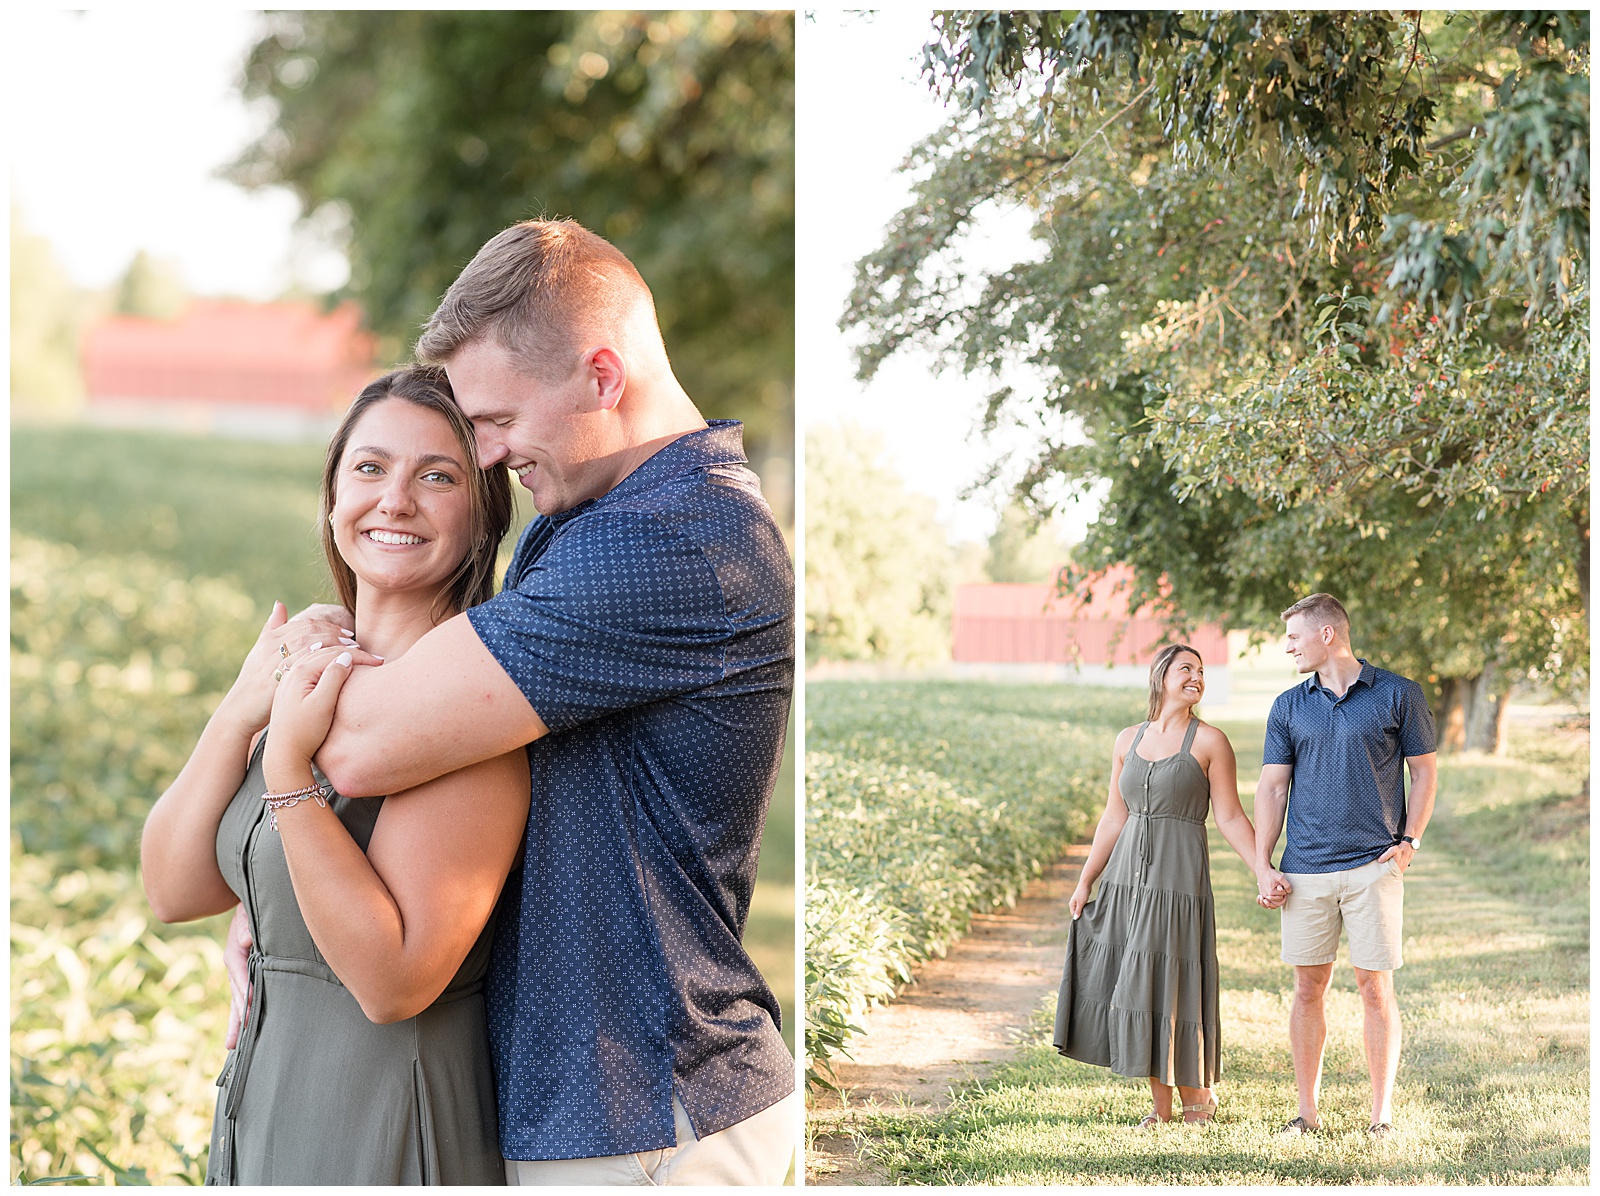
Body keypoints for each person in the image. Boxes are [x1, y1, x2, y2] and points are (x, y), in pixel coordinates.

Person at [229, 219, 797, 1185]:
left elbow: (361, 744)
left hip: (651, 1113)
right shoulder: (578, 526)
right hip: (578, 1106)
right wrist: (285, 903)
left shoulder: (673, 542)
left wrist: (272, 706)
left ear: (603, 377)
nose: (488, 454)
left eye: (495, 420)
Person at [141, 367, 529, 1184]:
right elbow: (174, 891)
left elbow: (394, 981)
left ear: (484, 516)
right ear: (332, 496)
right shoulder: (307, 685)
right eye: (369, 467)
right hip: (267, 1097)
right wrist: (244, 707)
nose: (395, 500)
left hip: (385, 1115)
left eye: (438, 475)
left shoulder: (470, 712)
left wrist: (285, 767)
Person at [1054, 643, 1278, 1127]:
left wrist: (1264, 868)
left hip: (1177, 882)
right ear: (1160, 677)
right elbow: (1114, 816)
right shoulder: (1126, 740)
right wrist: (1086, 878)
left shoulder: (1210, 742)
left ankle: (1198, 1100)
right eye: (1186, 669)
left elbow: (1231, 816)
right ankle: (1160, 1108)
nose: (1197, 677)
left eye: (1201, 671)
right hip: (1124, 882)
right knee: (1137, 987)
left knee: (1173, 985)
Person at [1252, 592, 1437, 1138]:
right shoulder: (1288, 706)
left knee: (1375, 988)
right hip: (1305, 868)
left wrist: (1410, 841)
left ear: (1326, 634)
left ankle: (1381, 1116)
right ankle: (1306, 1113)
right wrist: (1264, 865)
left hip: (1373, 867)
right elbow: (1272, 786)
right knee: (1308, 989)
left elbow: (1424, 773)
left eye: (1293, 637)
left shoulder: (1399, 694)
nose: (1287, 647)